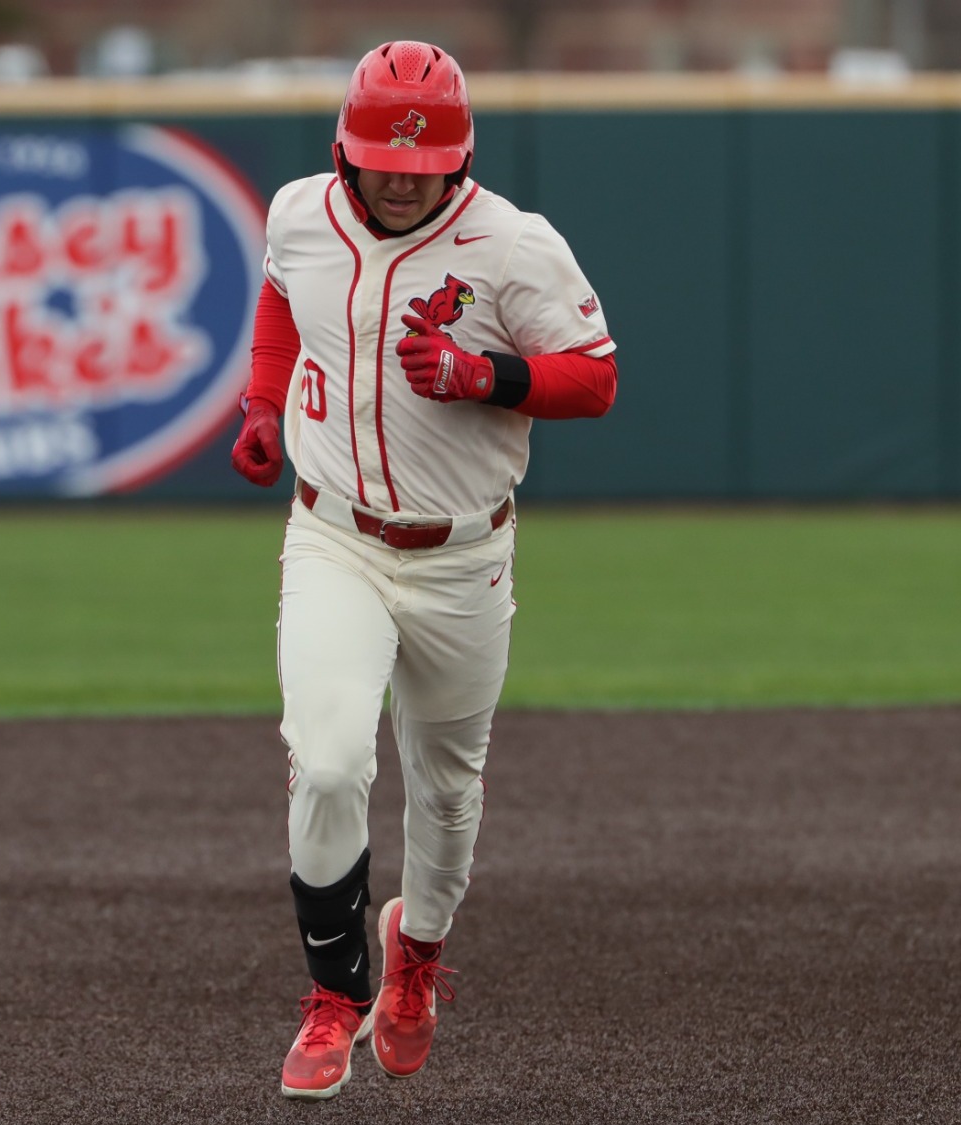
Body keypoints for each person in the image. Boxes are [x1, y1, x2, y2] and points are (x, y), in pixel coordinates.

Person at [229, 39, 619, 1101]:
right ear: (342, 151)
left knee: (445, 791)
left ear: (457, 158)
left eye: (423, 158)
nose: (400, 175)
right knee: (328, 761)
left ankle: (418, 953)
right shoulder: (299, 212)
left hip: (460, 556)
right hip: (333, 536)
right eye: (380, 156)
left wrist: (484, 373)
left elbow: (594, 381)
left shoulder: (512, 246)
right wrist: (263, 404)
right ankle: (335, 994)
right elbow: (280, 298)